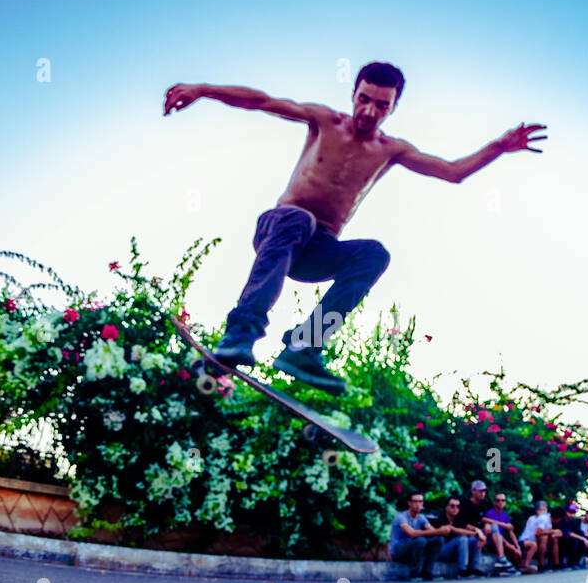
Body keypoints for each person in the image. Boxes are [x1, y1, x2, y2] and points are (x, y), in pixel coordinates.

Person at [163, 65, 547, 392]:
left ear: (393, 107)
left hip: (319, 251)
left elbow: (452, 172)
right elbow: (262, 101)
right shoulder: (324, 120)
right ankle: (240, 334)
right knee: (298, 218)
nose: (369, 110)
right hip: (280, 232)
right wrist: (202, 90)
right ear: (353, 94)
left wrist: (498, 147)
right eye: (364, 99)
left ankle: (305, 346)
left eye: (381, 105)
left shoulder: (391, 149)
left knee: (374, 253)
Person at [387, 491, 448, 580]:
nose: (418, 504)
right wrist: (438, 531)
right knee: (420, 540)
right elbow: (412, 533)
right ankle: (414, 573)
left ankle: (427, 572)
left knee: (438, 540)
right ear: (409, 503)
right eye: (415, 501)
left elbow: (432, 531)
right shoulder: (401, 517)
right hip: (399, 551)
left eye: (420, 501)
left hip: (414, 550)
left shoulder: (421, 517)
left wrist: (442, 531)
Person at [464, 480, 516, 572]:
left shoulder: (482, 505)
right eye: (480, 491)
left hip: (484, 535)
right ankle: (471, 568)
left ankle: (501, 559)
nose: (483, 493)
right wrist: (478, 532)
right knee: (491, 531)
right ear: (473, 491)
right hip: (469, 534)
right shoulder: (466, 505)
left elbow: (483, 520)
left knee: (493, 528)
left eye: (484, 491)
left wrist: (487, 525)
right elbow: (464, 524)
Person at [431, 497, 487, 578]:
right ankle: (462, 570)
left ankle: (474, 568)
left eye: (457, 506)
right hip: (441, 552)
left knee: (474, 540)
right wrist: (476, 534)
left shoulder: (457, 519)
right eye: (452, 506)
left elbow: (469, 527)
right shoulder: (441, 518)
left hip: (454, 552)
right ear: (446, 508)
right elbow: (454, 530)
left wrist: (480, 533)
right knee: (462, 538)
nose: (455, 509)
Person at [483, 492, 525, 569]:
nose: (500, 502)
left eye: (503, 500)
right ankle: (504, 562)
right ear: (494, 502)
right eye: (498, 500)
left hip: (502, 541)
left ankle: (517, 568)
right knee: (510, 547)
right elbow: (490, 527)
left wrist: (517, 546)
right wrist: (507, 543)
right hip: (492, 541)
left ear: (505, 502)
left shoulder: (505, 515)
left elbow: (511, 532)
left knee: (516, 550)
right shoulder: (490, 513)